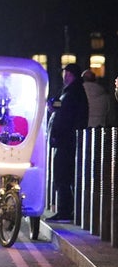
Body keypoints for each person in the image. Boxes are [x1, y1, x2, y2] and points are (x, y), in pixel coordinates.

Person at [48, 62, 89, 222]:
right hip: (67, 140)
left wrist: (57, 134)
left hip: (67, 141)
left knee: (62, 176)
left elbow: (66, 115)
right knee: (63, 176)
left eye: (66, 73)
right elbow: (61, 105)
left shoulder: (73, 92)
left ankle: (65, 210)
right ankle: (66, 209)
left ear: (71, 74)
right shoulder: (72, 91)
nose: (64, 76)